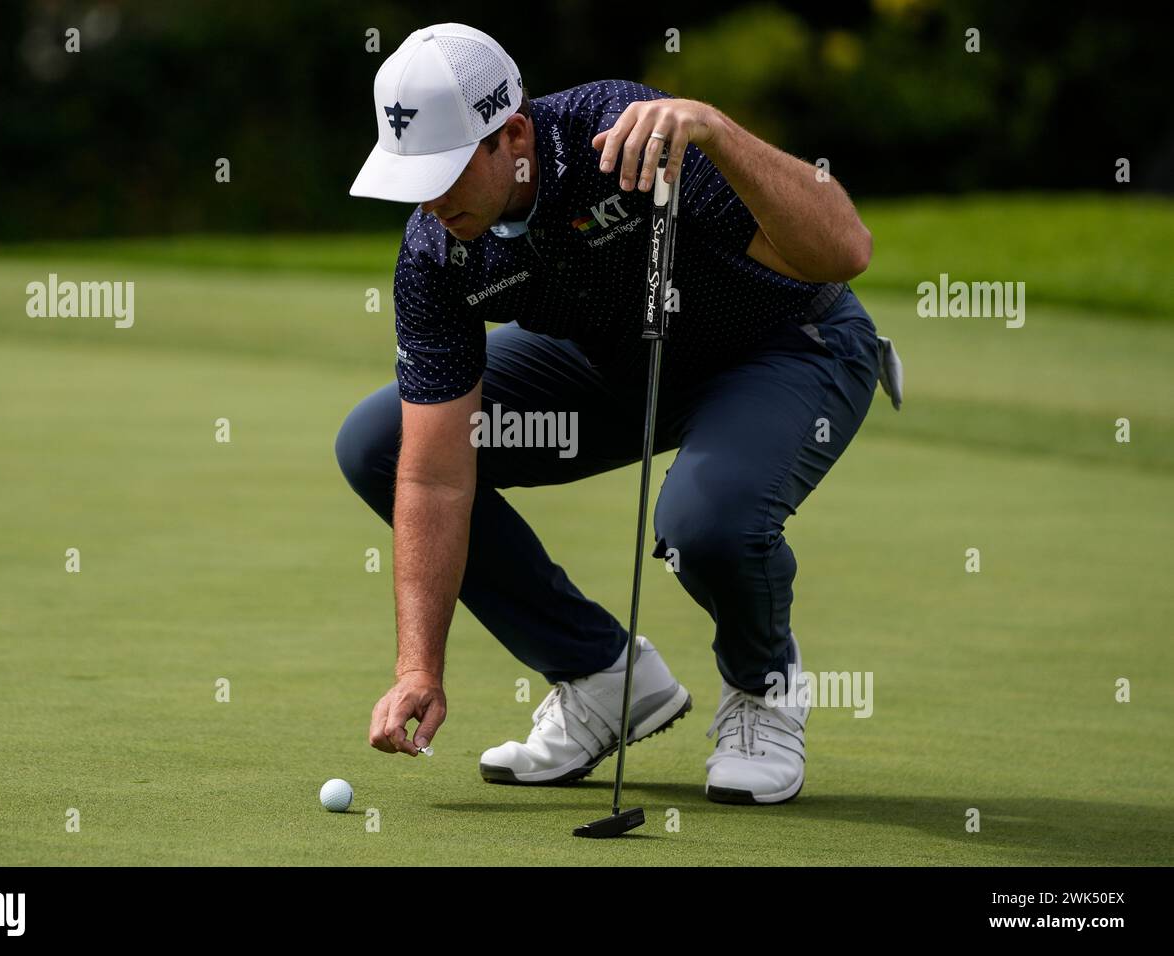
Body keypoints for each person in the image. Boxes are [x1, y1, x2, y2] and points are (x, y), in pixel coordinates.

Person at [338, 22, 900, 803]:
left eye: (448, 170)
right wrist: (418, 668)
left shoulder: (627, 141)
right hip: (619, 364)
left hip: (784, 347)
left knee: (707, 524)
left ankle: (762, 692)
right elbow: (435, 476)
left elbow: (846, 250)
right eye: (414, 176)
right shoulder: (437, 253)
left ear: (515, 134)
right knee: (379, 443)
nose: (431, 201)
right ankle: (601, 676)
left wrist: (716, 132)